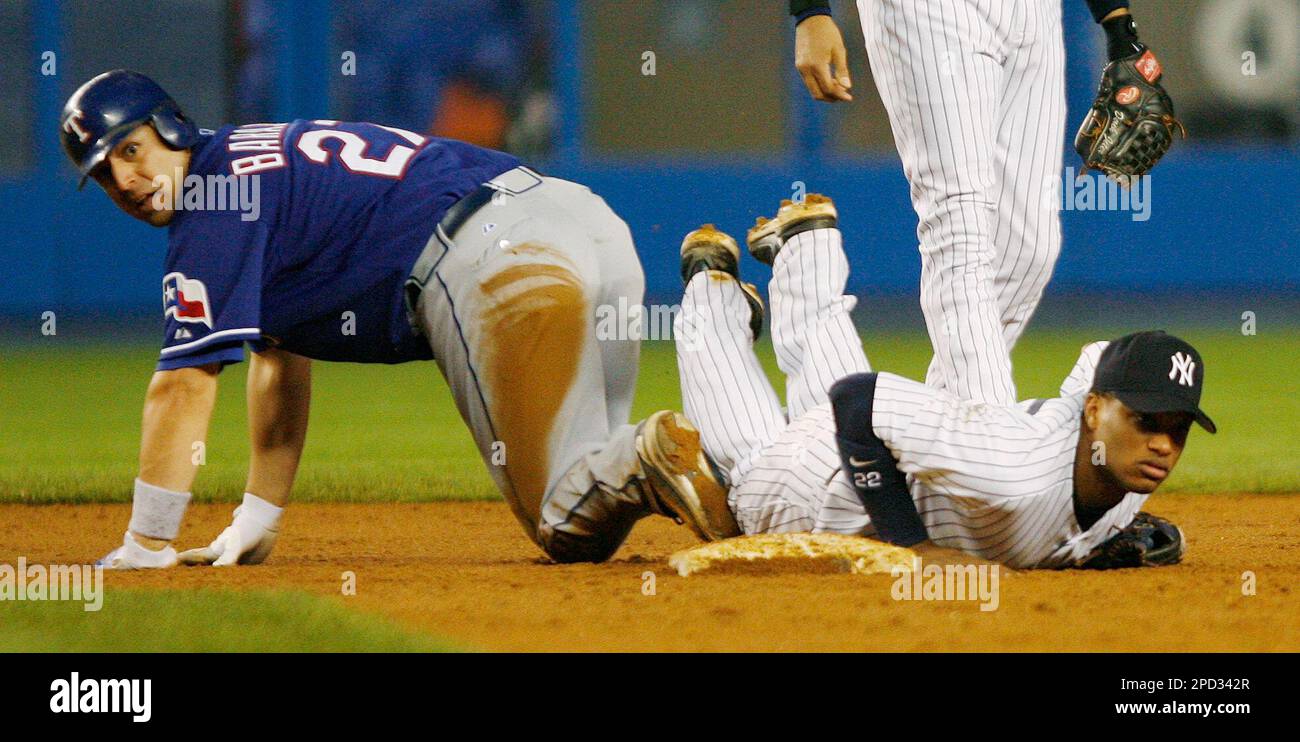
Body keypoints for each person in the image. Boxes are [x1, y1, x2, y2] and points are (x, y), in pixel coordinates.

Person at [60, 69, 738, 569]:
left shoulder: (213, 201)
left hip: (507, 261)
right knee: (595, 485)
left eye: (131, 150)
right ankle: (738, 443)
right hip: (583, 222)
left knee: (565, 523)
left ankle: (654, 448)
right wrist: (258, 517)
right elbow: (278, 356)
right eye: (106, 170)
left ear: (171, 127)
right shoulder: (253, 159)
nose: (126, 180)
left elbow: (184, 383)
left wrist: (147, 541)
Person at [673, 193, 1212, 568]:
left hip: (888, 444)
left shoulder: (1109, 434)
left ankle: (806, 248)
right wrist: (913, 546)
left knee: (835, 413)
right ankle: (710, 292)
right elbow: (854, 399)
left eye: (1176, 428)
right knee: (743, 480)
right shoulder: (1011, 473)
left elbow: (1102, 357)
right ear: (1096, 411)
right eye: (1146, 422)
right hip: (817, 491)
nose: (1163, 445)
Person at [788, 0, 1180, 406]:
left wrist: (1118, 25)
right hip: (927, 10)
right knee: (959, 223)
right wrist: (811, 12)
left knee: (1029, 248)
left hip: (1033, 13)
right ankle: (988, 432)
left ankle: (940, 432)